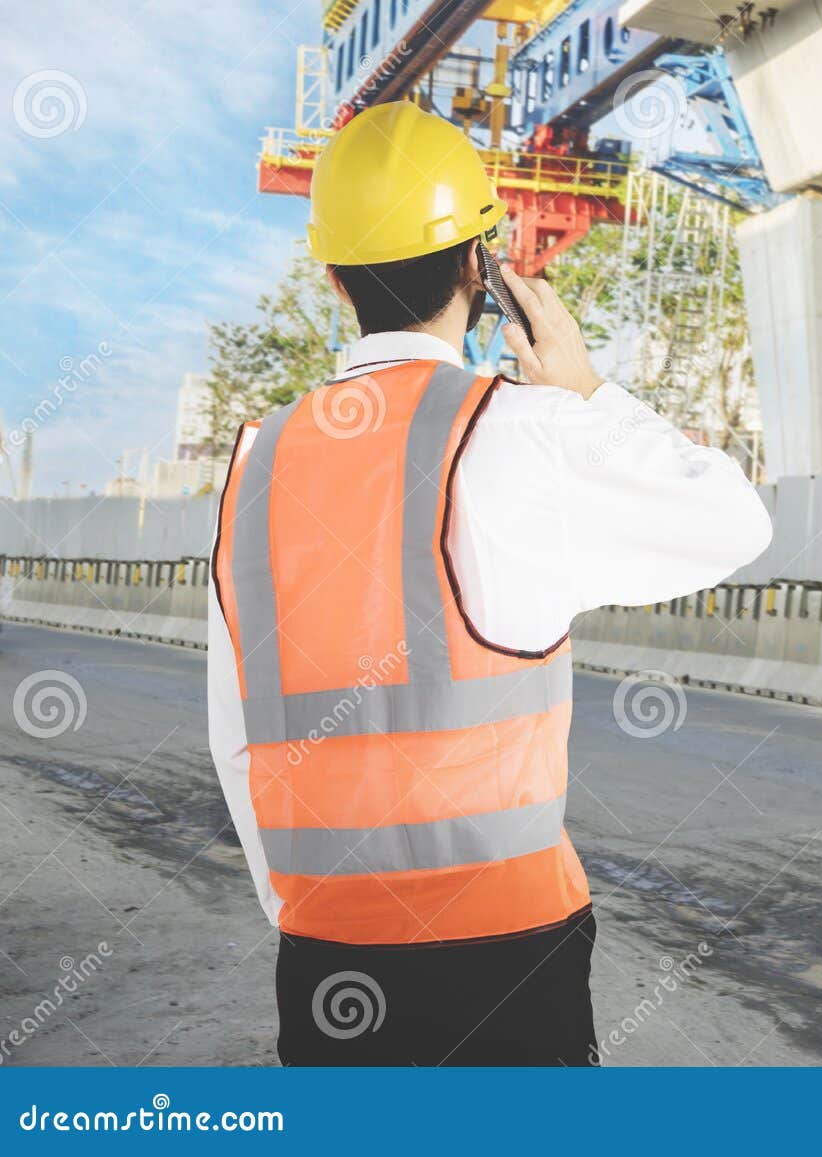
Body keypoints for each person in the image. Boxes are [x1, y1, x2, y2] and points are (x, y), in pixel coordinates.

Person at [206, 101, 772, 1066]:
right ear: (482, 267)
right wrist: (588, 393)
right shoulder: (521, 432)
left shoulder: (256, 462)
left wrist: (306, 909)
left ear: (335, 278)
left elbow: (236, 733)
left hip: (327, 957)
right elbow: (734, 522)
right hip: (507, 964)